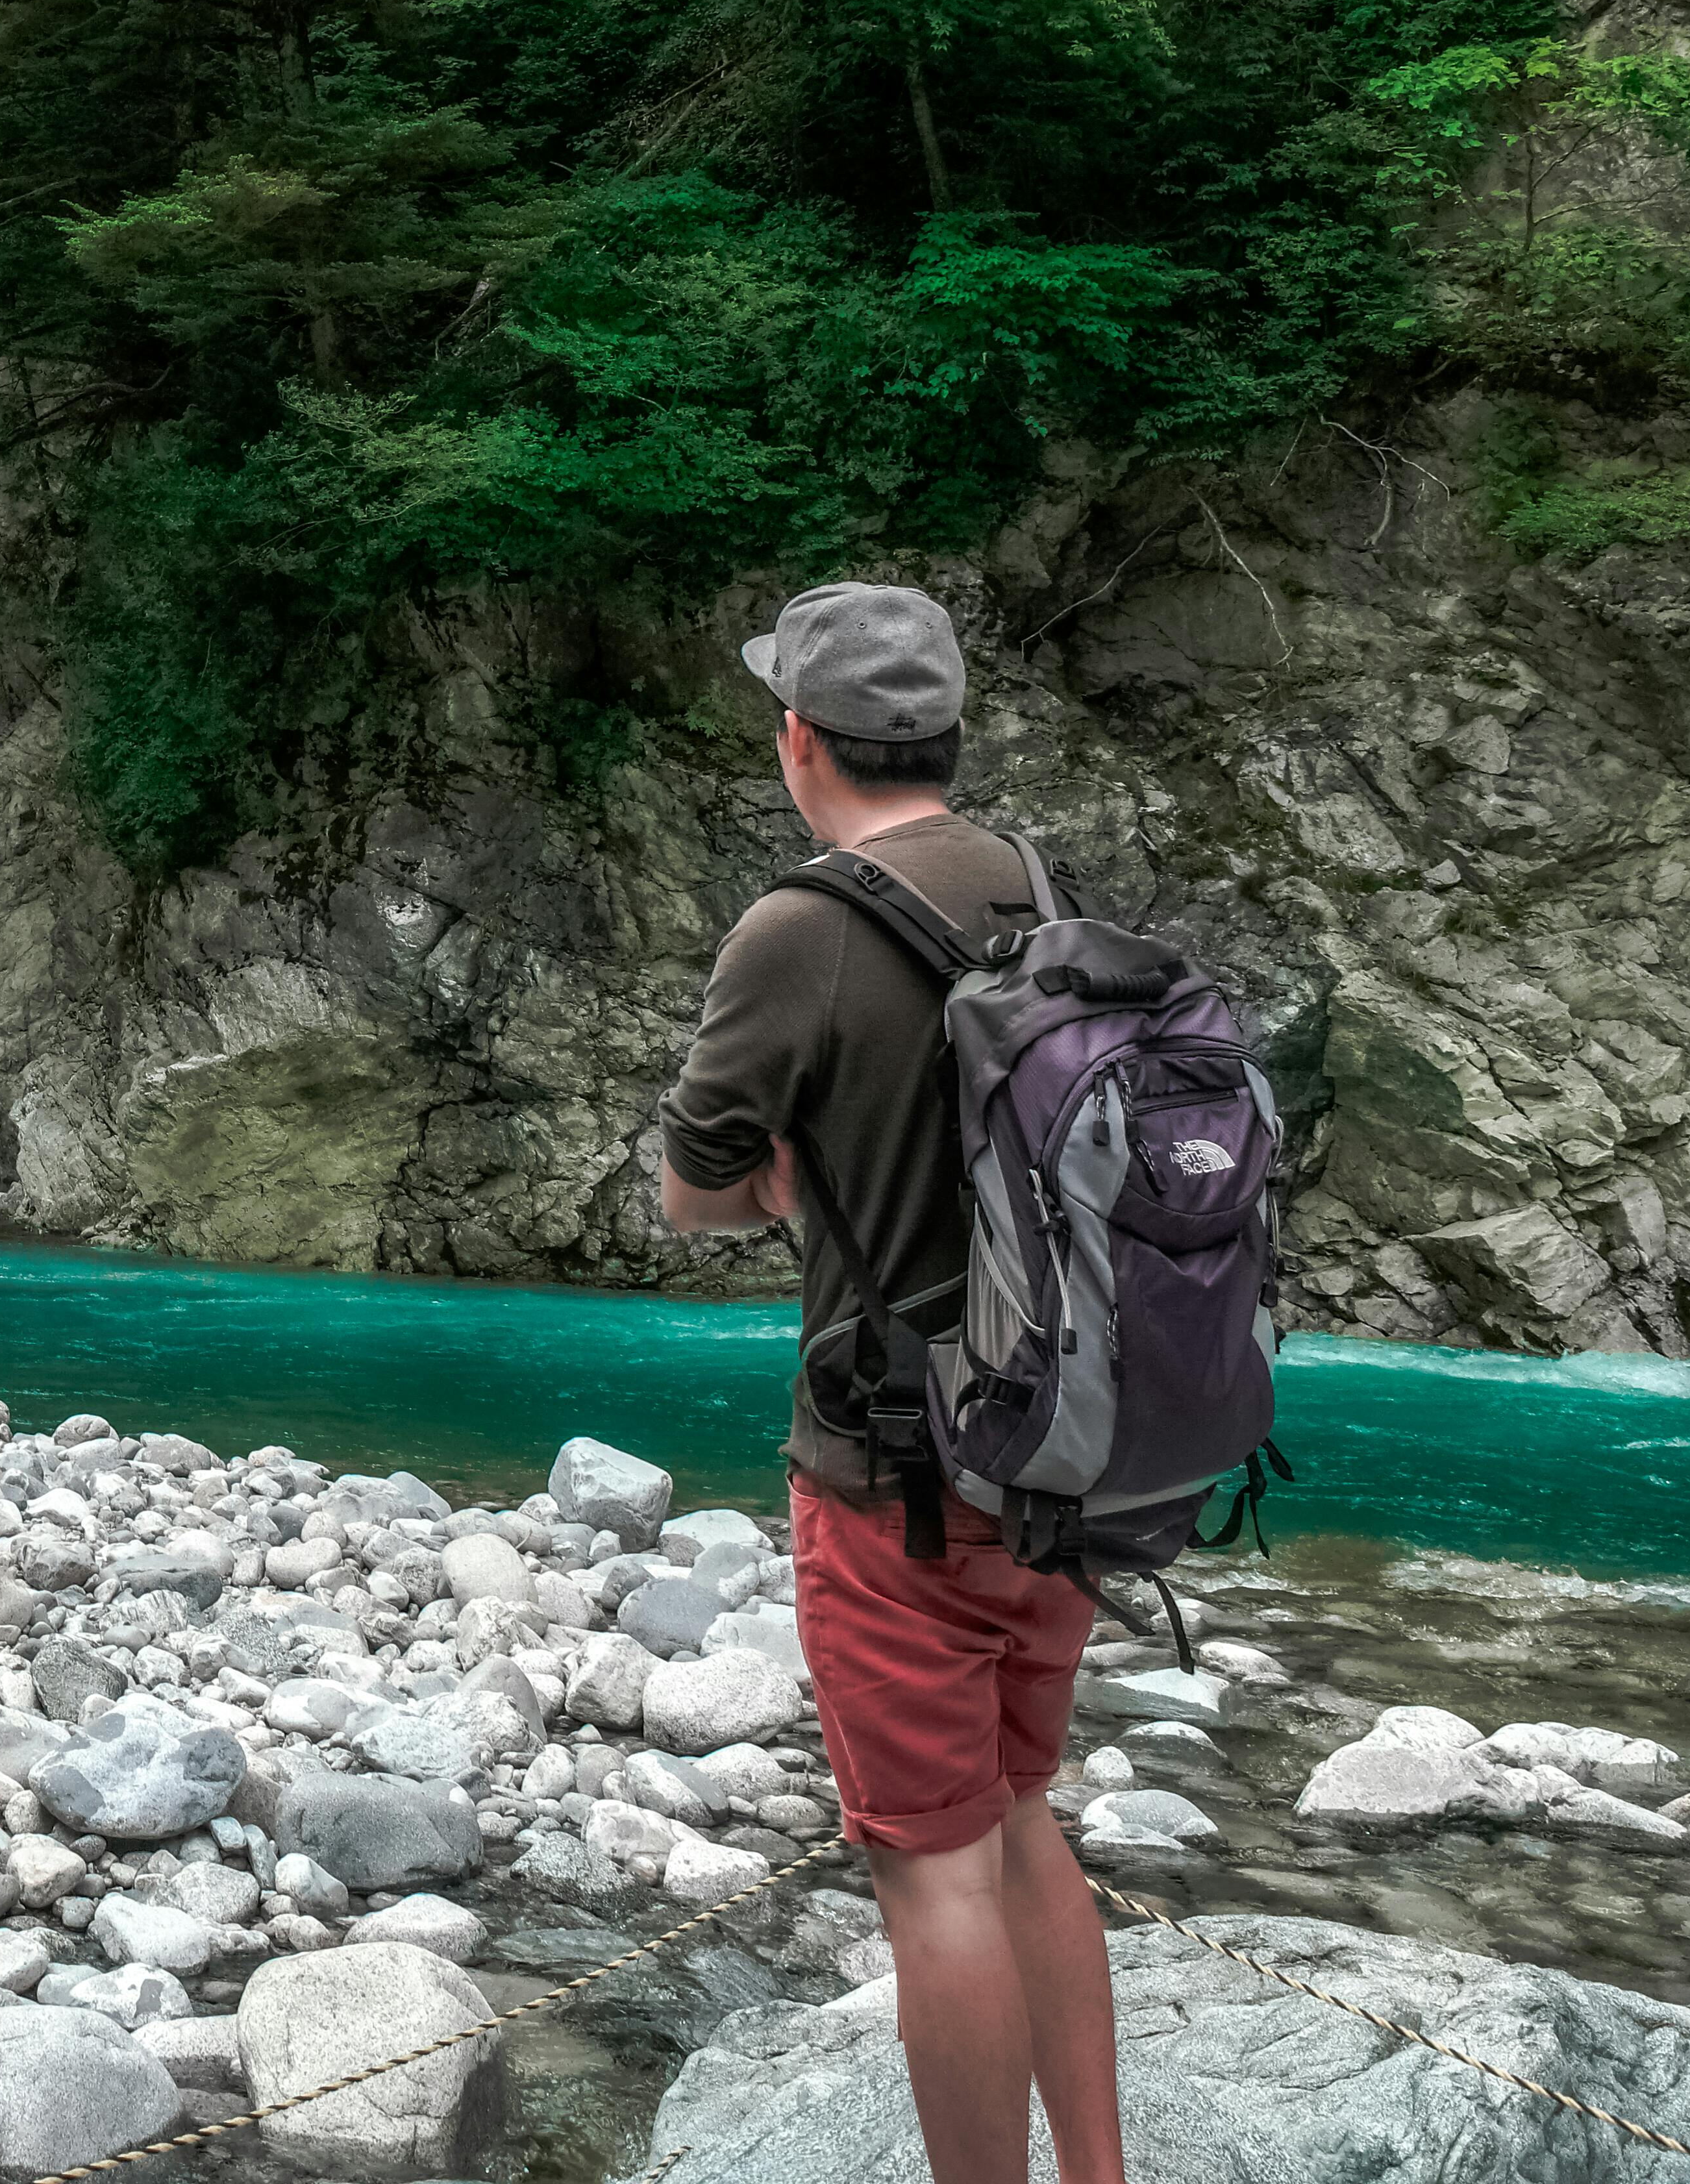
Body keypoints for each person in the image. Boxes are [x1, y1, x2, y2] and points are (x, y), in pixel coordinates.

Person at [655, 580, 1126, 2184]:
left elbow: (698, 1192)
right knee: (1021, 1818)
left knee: (933, 1877)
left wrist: (787, 1184)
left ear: (801, 739)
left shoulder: (799, 927)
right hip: (1067, 1450)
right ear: (942, 733)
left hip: (888, 1471)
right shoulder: (1035, 884)